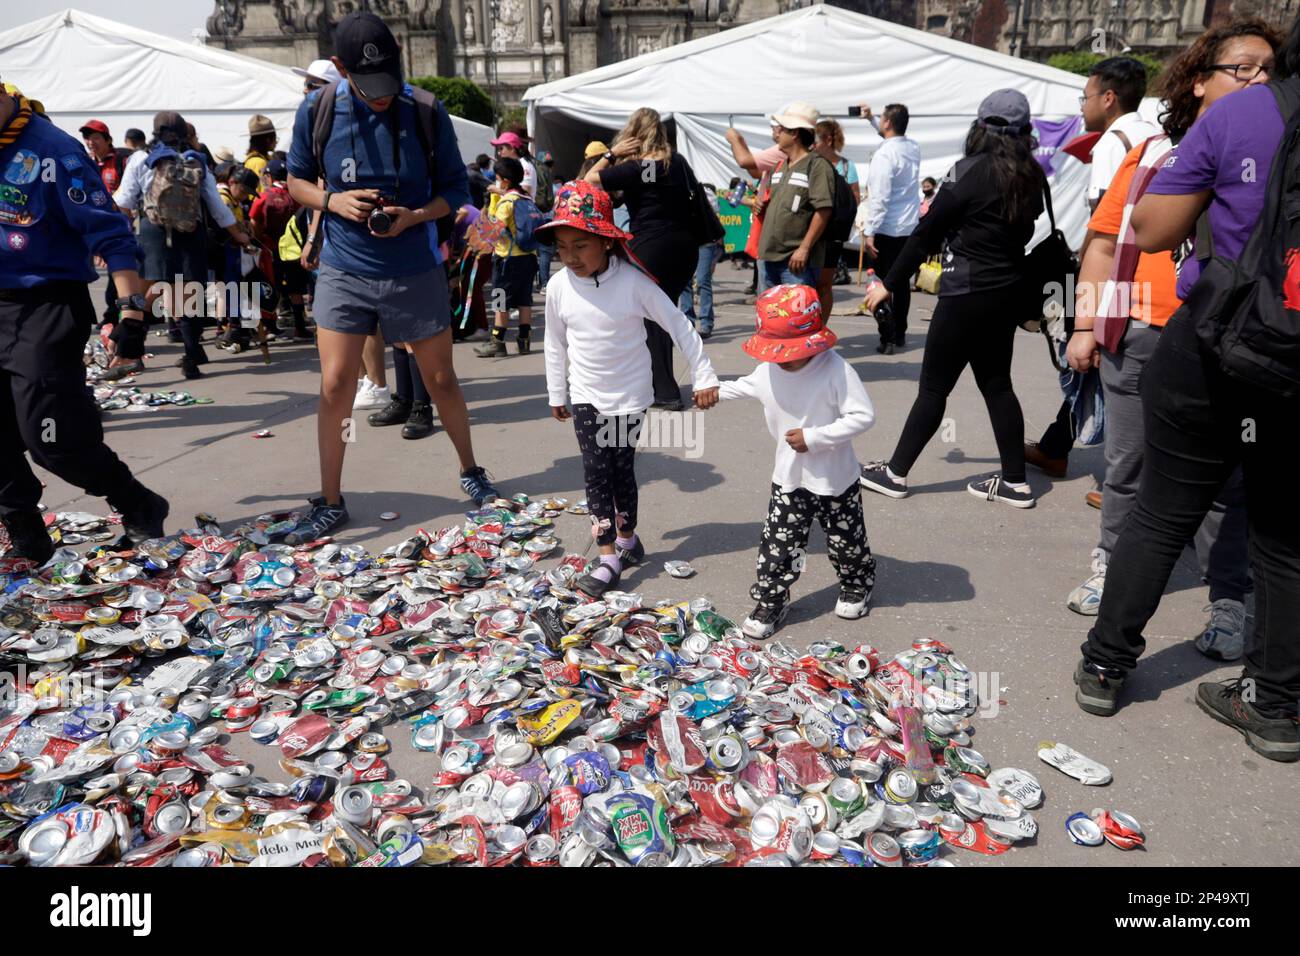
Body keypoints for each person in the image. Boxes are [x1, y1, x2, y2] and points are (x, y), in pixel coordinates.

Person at [1073, 15, 1300, 761]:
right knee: (1283, 533)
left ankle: (1106, 665)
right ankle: (1274, 705)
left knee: (1163, 507)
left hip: (1215, 338)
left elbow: (1151, 229)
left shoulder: (1246, 112)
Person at [285, 11, 499, 541]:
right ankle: (331, 499)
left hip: (415, 267)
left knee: (441, 379)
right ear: (340, 68)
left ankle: (472, 472)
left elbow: (455, 191)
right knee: (336, 385)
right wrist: (334, 200)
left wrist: (415, 215)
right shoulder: (319, 108)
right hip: (344, 267)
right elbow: (294, 182)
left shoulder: (425, 109)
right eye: (368, 86)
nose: (381, 97)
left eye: (388, 83)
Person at [0, 78, 169, 564]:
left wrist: (132, 312)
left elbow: (112, 235)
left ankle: (138, 502)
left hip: (45, 306)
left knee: (51, 438)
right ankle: (25, 530)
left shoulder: (55, 153)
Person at [860, 90, 1045, 509]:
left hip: (965, 292)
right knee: (998, 385)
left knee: (933, 388)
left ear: (981, 128)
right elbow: (1028, 229)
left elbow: (926, 233)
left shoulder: (968, 171)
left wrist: (889, 282)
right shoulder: (1032, 174)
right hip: (1006, 293)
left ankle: (894, 474)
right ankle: (1015, 482)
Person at [543, 180, 718, 597]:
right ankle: (607, 559)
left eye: (580, 245)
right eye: (562, 247)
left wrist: (705, 374)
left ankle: (627, 539)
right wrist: (556, 391)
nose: (570, 257)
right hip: (586, 394)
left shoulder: (635, 284)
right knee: (595, 470)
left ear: (606, 241)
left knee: (621, 470)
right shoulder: (557, 287)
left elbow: (678, 324)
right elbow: (554, 341)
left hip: (630, 398)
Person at [1026, 56, 1159, 480]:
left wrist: (1087, 292)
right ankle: (1055, 445)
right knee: (1115, 369)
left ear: (1108, 97)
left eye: (1084, 98)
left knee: (1101, 364)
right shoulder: (1155, 135)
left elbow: (1104, 229)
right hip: (1151, 271)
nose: (1081, 108)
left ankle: (1125, 480)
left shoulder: (1110, 144)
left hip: (1117, 277)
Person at [719, 284, 877, 640]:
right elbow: (742, 386)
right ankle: (772, 600)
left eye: (789, 352)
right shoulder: (767, 370)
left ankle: (857, 584)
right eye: (776, 352)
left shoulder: (836, 370)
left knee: (846, 540)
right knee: (779, 545)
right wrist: (710, 390)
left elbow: (863, 415)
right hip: (789, 479)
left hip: (836, 479)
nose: (782, 360)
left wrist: (815, 437)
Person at [114, 110, 251, 379]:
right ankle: (191, 354)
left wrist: (115, 239)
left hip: (152, 233)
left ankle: (131, 353)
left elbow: (124, 201)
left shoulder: (141, 158)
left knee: (141, 294)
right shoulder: (194, 160)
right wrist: (239, 235)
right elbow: (217, 208)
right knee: (188, 295)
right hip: (190, 234)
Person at [584, 108, 705, 410]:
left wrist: (612, 154)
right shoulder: (676, 163)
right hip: (684, 247)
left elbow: (587, 180)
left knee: (651, 318)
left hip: (652, 247)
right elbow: (659, 191)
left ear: (633, 134)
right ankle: (659, 384)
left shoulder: (640, 166)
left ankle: (665, 391)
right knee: (664, 314)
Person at [752, 102, 835, 293]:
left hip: (795, 262)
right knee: (770, 319)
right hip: (767, 257)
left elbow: (824, 210)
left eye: (781, 129)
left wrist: (804, 248)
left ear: (794, 133)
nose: (777, 134)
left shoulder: (817, 166)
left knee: (796, 321)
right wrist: (760, 205)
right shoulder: (778, 167)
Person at [859, 102, 921, 354]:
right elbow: (894, 135)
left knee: (881, 283)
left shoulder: (885, 155)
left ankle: (888, 335)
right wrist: (873, 119)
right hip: (908, 226)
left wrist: (870, 230)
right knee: (901, 282)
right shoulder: (912, 147)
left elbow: (880, 196)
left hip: (887, 227)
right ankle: (900, 332)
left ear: (888, 123)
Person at [474, 156, 538, 357]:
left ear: (505, 180)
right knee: (524, 299)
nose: (496, 181)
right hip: (529, 257)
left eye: (497, 178)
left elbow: (495, 233)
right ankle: (524, 341)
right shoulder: (526, 198)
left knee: (500, 299)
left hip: (507, 260)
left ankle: (497, 342)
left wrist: (483, 218)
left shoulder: (506, 202)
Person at [250, 156, 313, 342]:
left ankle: (270, 327)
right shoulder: (296, 195)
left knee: (269, 287)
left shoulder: (264, 196)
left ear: (269, 176)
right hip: (294, 250)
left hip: (270, 250)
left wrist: (257, 240)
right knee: (295, 290)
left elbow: (255, 220)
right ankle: (300, 328)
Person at [813, 118, 859, 310]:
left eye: (816, 141)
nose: (812, 146)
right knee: (809, 285)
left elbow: (855, 198)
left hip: (832, 233)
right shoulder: (811, 163)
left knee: (824, 285)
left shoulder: (847, 166)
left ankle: (820, 329)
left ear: (828, 141)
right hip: (812, 230)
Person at [678, 180, 723, 338]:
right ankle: (688, 322)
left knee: (703, 280)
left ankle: (706, 323)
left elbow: (714, 212)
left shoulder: (703, 191)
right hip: (685, 241)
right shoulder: (673, 191)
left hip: (704, 241)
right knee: (685, 282)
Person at [534, 149, 556, 291]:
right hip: (547, 216)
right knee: (546, 252)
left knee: (536, 251)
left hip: (534, 215)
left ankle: (539, 281)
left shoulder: (535, 173)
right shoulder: (549, 177)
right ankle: (544, 283)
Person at [490, 131, 535, 197]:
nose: (499, 153)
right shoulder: (511, 165)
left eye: (501, 149)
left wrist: (497, 190)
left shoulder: (525, 166)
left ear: (511, 148)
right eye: (498, 149)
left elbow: (525, 195)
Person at [245, 114, 278, 193]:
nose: (276, 142)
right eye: (275, 138)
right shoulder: (259, 163)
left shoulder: (263, 159)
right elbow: (264, 192)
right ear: (268, 140)